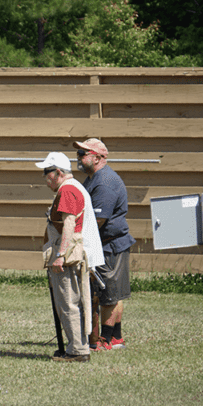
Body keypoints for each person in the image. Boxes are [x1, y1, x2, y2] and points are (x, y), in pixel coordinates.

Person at [38, 152, 104, 362]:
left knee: (68, 302)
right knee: (72, 301)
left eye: (47, 172)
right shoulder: (75, 187)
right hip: (75, 253)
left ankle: (77, 350)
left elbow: (69, 224)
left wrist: (60, 255)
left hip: (69, 256)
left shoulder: (67, 190)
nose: (44, 177)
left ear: (58, 172)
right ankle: (76, 347)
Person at [75, 138, 135, 351]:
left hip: (110, 246)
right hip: (111, 244)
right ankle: (115, 337)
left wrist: (76, 237)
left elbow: (98, 220)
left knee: (108, 295)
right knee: (114, 292)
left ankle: (105, 340)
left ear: (98, 158)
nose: (78, 158)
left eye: (83, 154)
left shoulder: (104, 182)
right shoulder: (94, 178)